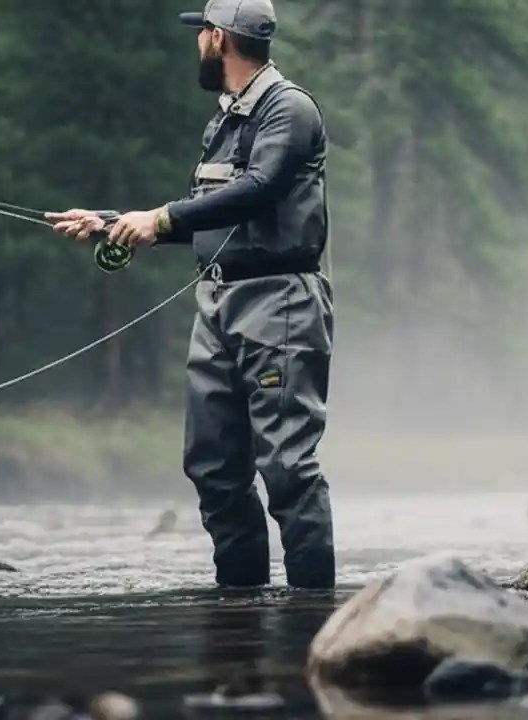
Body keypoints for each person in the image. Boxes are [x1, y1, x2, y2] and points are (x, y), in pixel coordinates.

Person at [46, 0, 335, 589]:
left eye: (201, 32)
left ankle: (316, 622)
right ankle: (240, 613)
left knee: (286, 468)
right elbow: (203, 217)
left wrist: (161, 219)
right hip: (218, 307)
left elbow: (260, 190)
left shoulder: (289, 108)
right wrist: (112, 222)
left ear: (218, 39)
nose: (197, 43)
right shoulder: (225, 119)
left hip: (279, 304)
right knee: (213, 467)